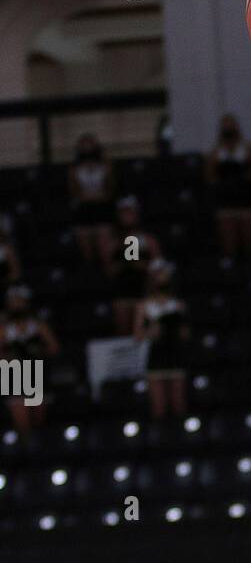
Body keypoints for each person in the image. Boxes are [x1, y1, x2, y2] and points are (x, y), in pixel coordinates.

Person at [133, 260, 190, 420]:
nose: (161, 279)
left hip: (175, 354)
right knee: (158, 407)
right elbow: (137, 335)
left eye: (164, 275)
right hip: (156, 356)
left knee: (178, 404)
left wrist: (178, 327)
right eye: (158, 275)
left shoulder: (178, 304)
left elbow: (186, 334)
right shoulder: (144, 305)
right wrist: (150, 331)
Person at [0, 284, 60, 434]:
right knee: (23, 425)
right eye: (13, 301)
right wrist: (12, 356)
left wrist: (37, 350)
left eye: (20, 301)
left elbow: (54, 348)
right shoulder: (4, 328)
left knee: (38, 423)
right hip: (14, 374)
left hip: (36, 371)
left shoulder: (38, 326)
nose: (17, 304)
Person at [205, 114, 251, 261]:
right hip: (226, 201)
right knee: (229, 242)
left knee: (250, 240)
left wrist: (241, 176)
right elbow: (210, 177)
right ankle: (230, 265)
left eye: (231, 129)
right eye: (226, 130)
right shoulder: (216, 153)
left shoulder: (248, 149)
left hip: (245, 199)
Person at [108, 197, 163, 334]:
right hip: (122, 292)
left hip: (143, 291)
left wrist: (143, 266)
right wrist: (125, 263)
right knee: (123, 331)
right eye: (123, 213)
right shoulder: (114, 240)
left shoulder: (148, 240)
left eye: (129, 213)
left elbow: (158, 266)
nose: (126, 217)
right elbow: (108, 268)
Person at [67, 133, 115, 267]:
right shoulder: (74, 169)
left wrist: (95, 197)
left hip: (101, 210)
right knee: (87, 254)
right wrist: (91, 197)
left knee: (105, 251)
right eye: (84, 145)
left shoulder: (106, 166)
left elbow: (110, 190)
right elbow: (74, 193)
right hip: (84, 211)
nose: (87, 149)